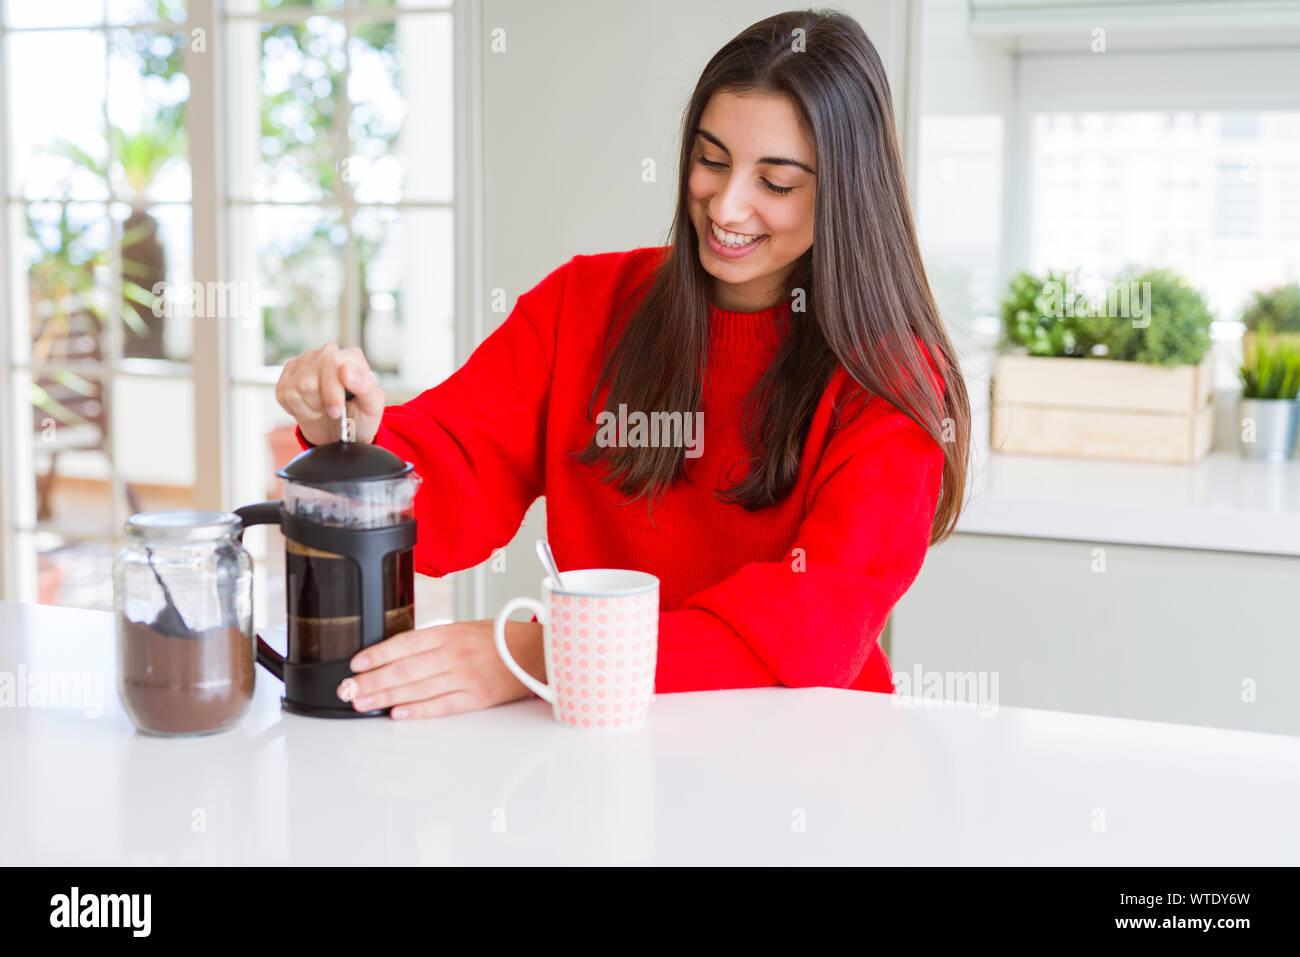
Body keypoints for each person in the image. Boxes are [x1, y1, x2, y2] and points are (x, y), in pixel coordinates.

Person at [274, 9, 970, 720]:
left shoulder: (890, 378)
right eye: (711, 159)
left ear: (845, 191)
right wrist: (349, 437)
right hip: (597, 741)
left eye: (778, 182)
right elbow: (453, 476)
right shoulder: (586, 303)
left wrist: (541, 654)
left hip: (804, 758)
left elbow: (816, 628)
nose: (727, 205)